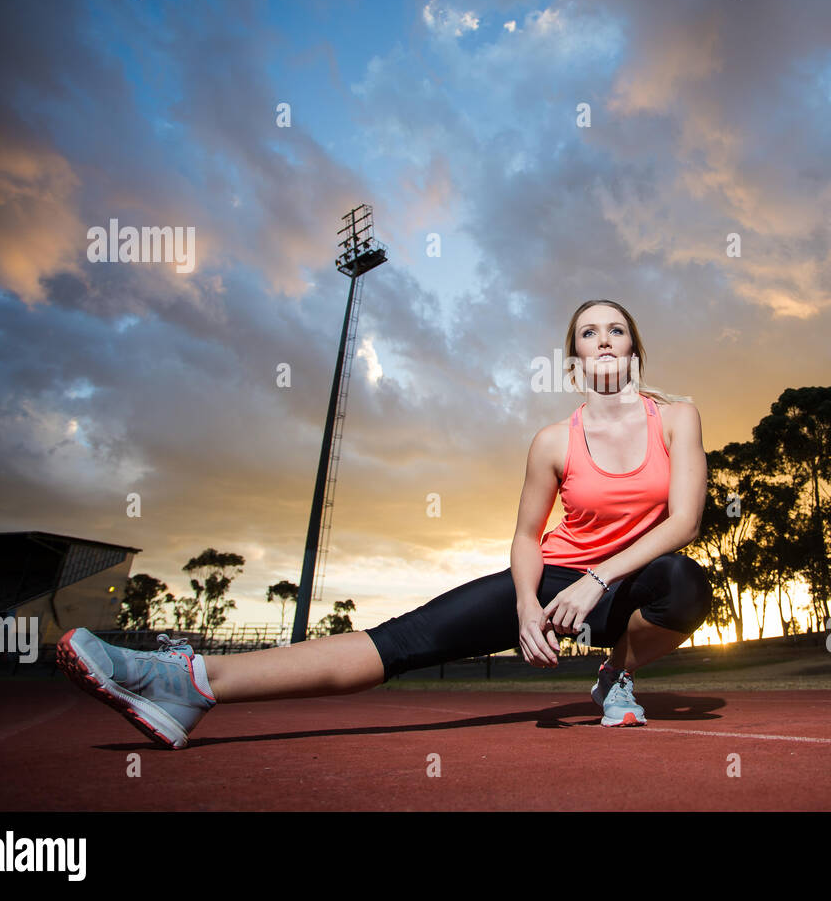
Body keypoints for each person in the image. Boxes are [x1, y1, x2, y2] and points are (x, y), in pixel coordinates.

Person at [57, 299, 713, 748]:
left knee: (684, 583)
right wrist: (523, 607)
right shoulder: (552, 441)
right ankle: (192, 685)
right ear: (574, 355)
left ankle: (614, 675)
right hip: (552, 580)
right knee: (399, 641)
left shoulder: (677, 418)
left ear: (635, 350)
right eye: (589, 331)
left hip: (626, 583)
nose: (603, 339)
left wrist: (596, 581)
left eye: (616, 330)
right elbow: (524, 536)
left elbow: (683, 519)